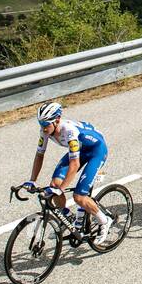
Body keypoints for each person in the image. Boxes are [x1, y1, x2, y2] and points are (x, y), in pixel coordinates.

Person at [27, 101, 113, 240]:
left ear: (57, 120)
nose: (43, 129)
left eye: (45, 124)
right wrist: (32, 180)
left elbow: (74, 164)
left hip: (96, 150)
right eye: (40, 124)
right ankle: (66, 217)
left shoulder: (69, 131)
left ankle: (104, 221)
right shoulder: (45, 131)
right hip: (81, 149)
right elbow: (39, 155)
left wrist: (62, 189)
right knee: (54, 184)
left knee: (79, 197)